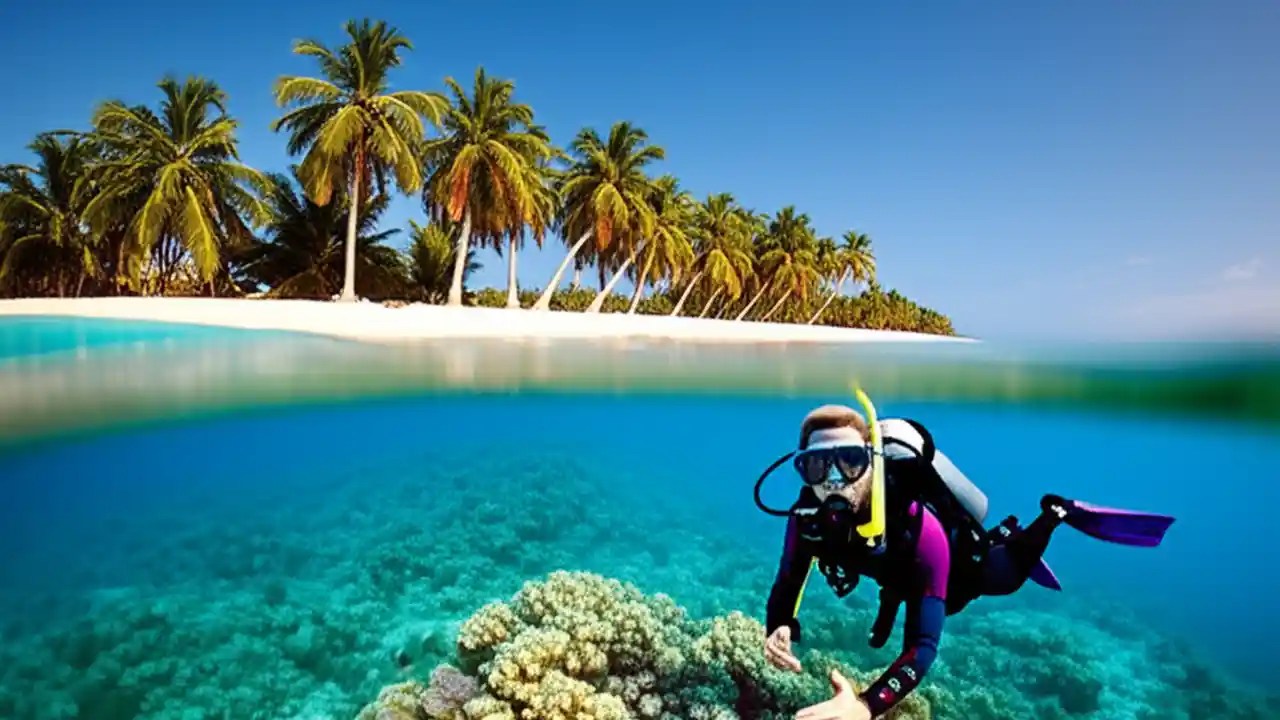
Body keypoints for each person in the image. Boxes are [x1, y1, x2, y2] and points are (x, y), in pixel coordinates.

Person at [752, 395, 1176, 720]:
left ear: (872, 462)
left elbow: (922, 647)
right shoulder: (806, 518)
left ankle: (1055, 513)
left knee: (1005, 577)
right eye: (815, 466)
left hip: (956, 566)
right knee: (894, 596)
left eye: (848, 461)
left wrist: (866, 706)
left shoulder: (918, 527)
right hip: (892, 572)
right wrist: (778, 626)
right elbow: (787, 582)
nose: (832, 482)